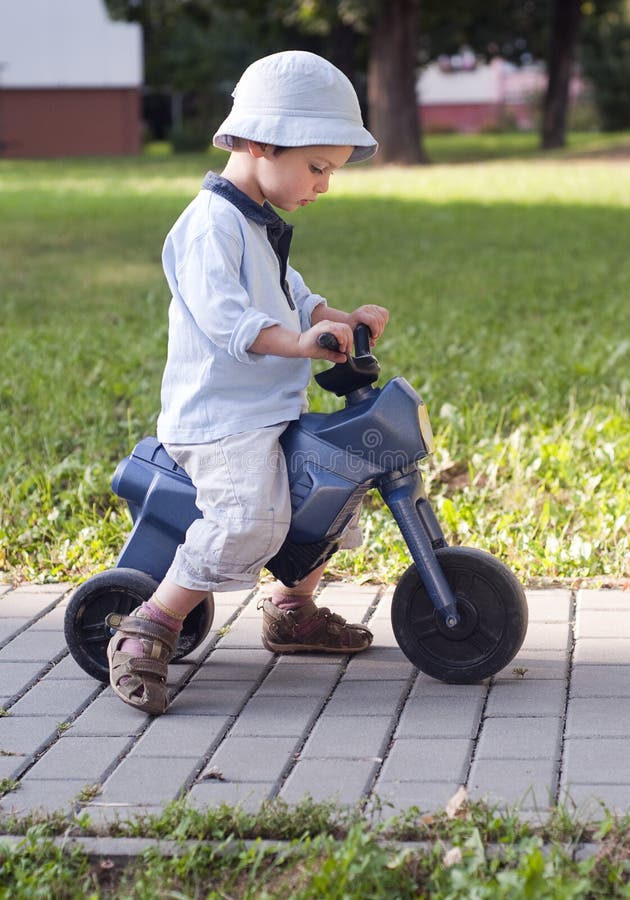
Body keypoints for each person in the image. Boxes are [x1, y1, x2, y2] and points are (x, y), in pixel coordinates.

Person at [107, 50, 389, 715]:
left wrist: (339, 319)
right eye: (317, 168)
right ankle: (149, 625)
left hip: (266, 410)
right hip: (220, 421)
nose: (324, 184)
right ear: (261, 143)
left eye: (331, 172)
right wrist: (296, 342)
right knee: (249, 520)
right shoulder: (209, 225)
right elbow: (227, 318)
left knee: (334, 491)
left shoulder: (256, 222)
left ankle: (291, 610)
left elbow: (294, 296)